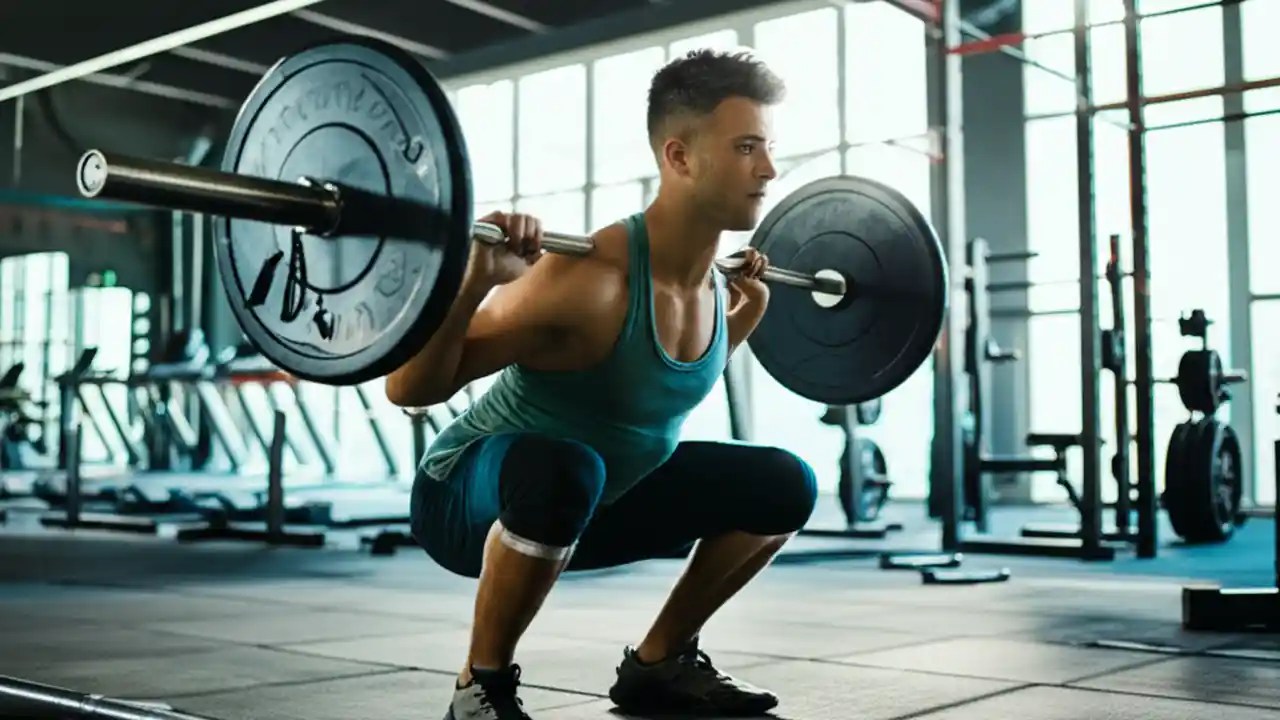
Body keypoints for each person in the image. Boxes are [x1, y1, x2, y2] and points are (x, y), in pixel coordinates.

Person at [386, 48, 818, 720]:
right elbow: (409, 389)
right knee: (565, 466)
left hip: (594, 497)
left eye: (766, 148)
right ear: (679, 157)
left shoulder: (711, 288)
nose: (768, 169)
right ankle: (481, 686)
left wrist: (746, 317)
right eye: (745, 147)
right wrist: (475, 282)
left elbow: (650, 394)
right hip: (463, 501)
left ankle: (661, 663)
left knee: (785, 483)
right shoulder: (590, 280)